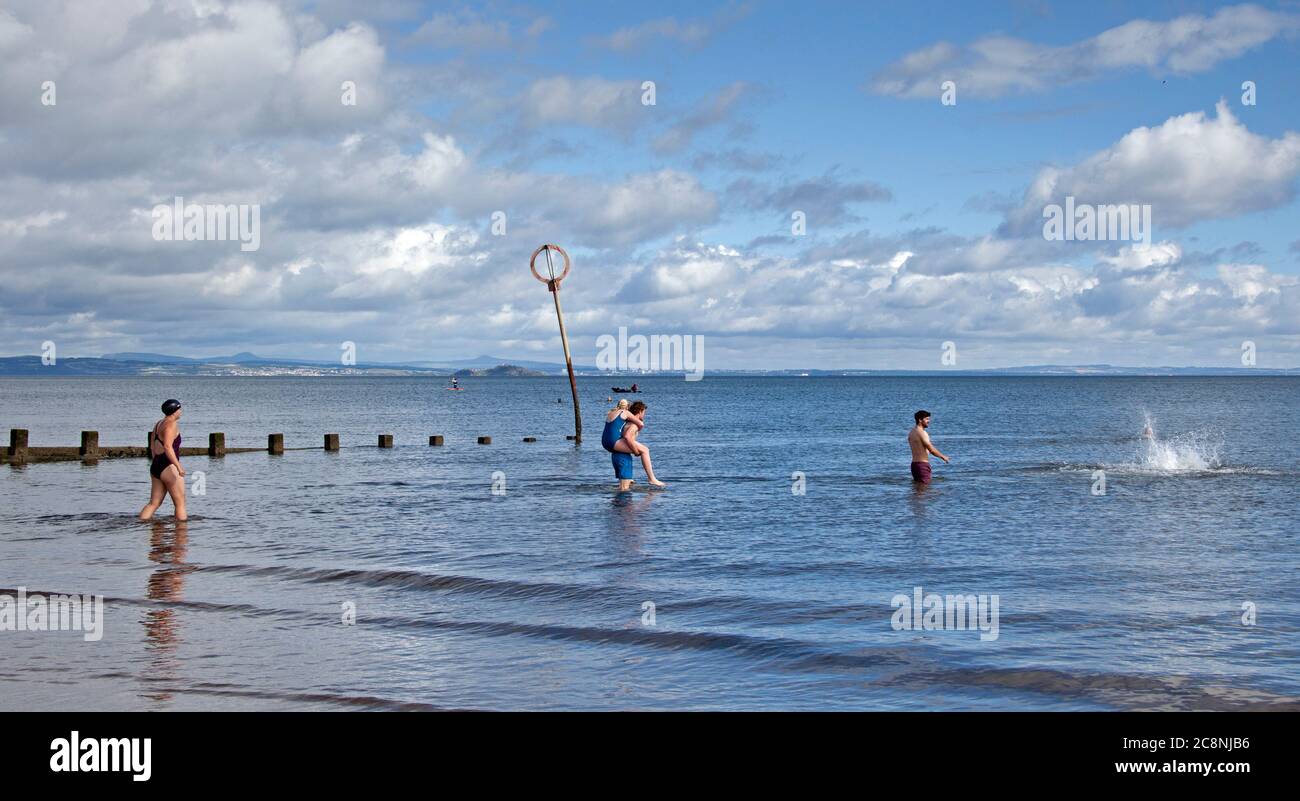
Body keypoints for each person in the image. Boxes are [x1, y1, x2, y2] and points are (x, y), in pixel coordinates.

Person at [140, 399, 187, 521]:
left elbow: (152, 446)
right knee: (180, 503)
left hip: (156, 466)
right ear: (174, 411)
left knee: (153, 503)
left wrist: (156, 462)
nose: (181, 412)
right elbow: (167, 446)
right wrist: (178, 466)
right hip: (168, 466)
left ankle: (141, 524)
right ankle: (181, 534)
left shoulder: (159, 424)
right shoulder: (171, 425)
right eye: (179, 409)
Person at [619, 401, 666, 488]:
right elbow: (627, 437)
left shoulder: (627, 422)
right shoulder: (634, 424)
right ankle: (652, 479)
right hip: (623, 454)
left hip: (620, 454)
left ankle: (629, 479)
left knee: (623, 486)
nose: (644, 415)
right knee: (645, 450)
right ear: (640, 411)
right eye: (644, 412)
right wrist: (635, 451)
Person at [907, 409, 949, 484]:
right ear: (920, 420)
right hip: (922, 465)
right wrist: (943, 457)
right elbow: (931, 449)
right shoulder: (922, 433)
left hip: (914, 465)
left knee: (918, 489)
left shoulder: (911, 432)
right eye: (926, 419)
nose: (928, 421)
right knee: (925, 490)